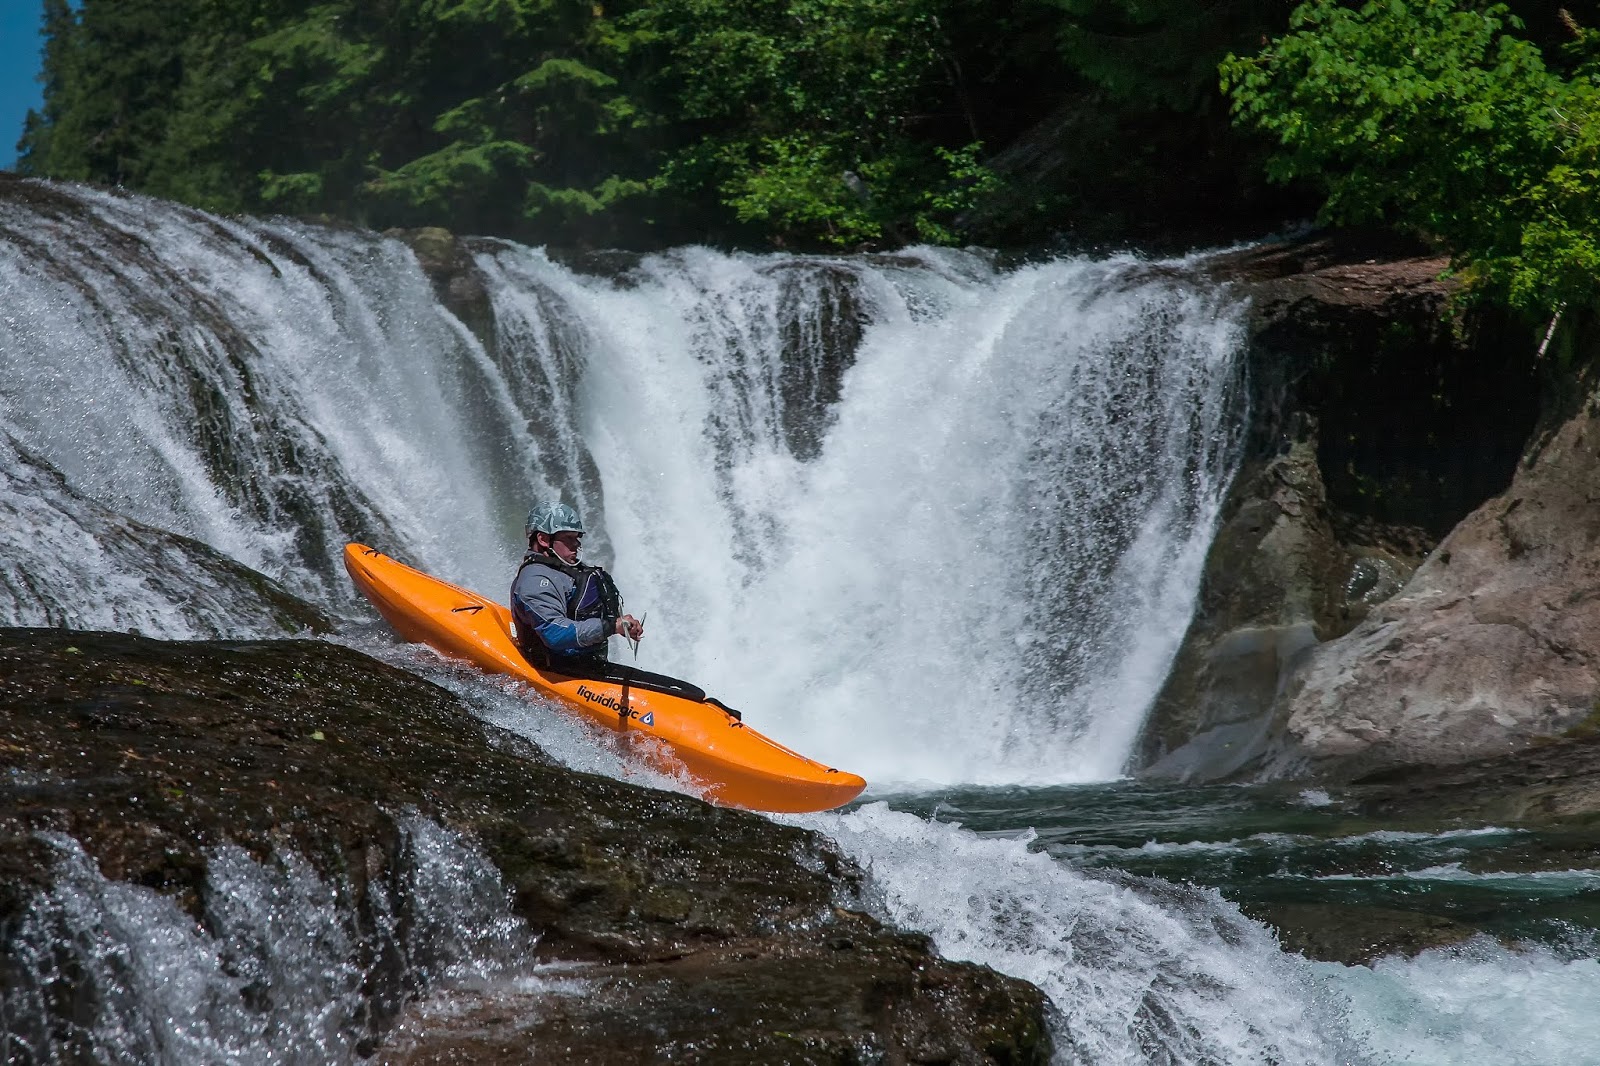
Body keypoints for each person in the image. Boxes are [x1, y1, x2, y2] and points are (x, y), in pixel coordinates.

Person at [511, 502, 644, 672]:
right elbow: (555, 634)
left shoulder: (566, 570)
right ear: (543, 539)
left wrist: (624, 625)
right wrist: (611, 626)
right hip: (557, 671)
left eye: (577, 538)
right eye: (568, 538)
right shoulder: (535, 580)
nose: (577, 545)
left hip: (585, 668)